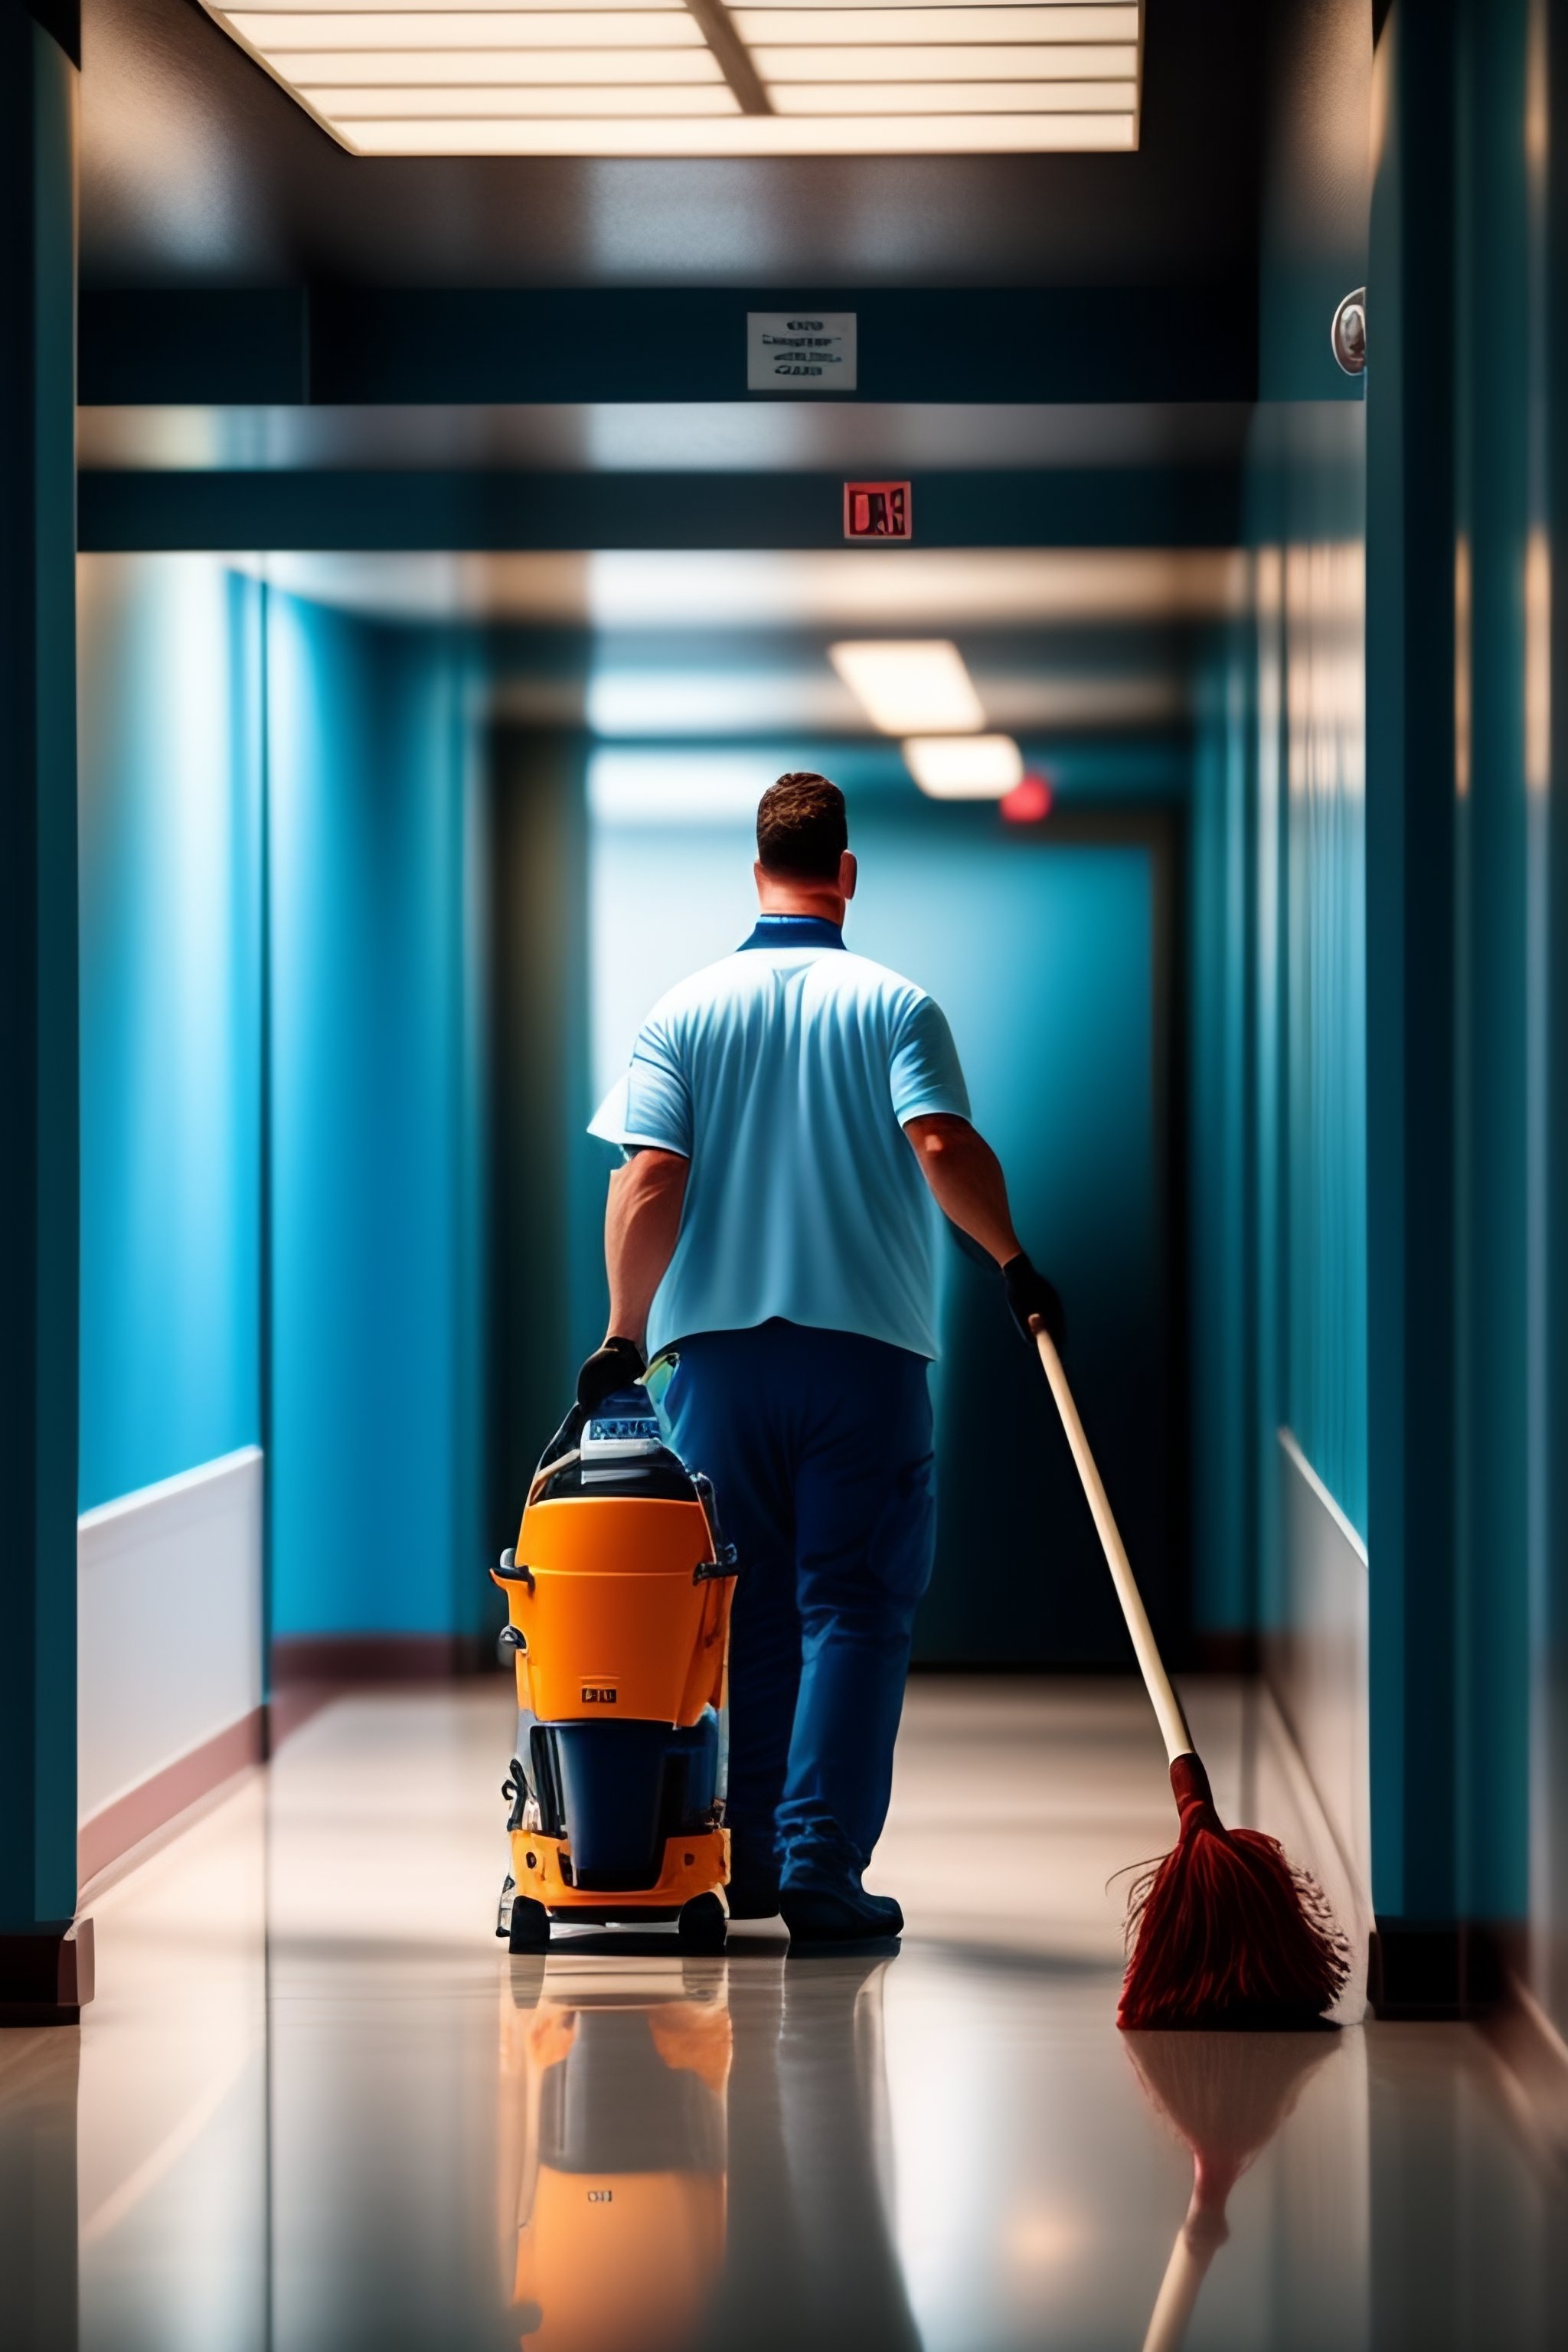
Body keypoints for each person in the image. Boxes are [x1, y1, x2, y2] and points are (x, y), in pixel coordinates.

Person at [580, 772, 1062, 1943]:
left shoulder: (681, 1012)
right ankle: (820, 1870)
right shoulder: (897, 1005)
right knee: (854, 1608)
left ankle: (735, 1860)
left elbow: (648, 1178)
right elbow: (940, 1142)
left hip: (716, 1369)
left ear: (758, 873)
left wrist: (623, 1337)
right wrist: (1012, 1260)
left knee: (734, 1610)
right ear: (846, 874)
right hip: (867, 1362)